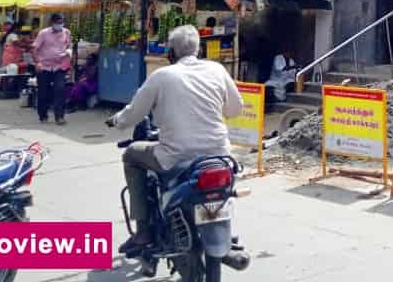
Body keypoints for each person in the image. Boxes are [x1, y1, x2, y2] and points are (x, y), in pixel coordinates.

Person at [106, 25, 244, 256]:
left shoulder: (161, 76)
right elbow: (235, 108)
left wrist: (117, 121)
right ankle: (225, 230)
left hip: (176, 156)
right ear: (198, 49)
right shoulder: (217, 70)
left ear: (171, 53)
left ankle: (143, 232)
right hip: (220, 155)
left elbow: (135, 113)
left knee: (131, 155)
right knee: (225, 188)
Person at [31, 13, 73, 125]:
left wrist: (68, 52)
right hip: (44, 67)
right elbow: (34, 49)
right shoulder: (43, 33)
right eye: (58, 22)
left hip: (59, 67)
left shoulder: (66, 32)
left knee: (60, 90)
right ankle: (43, 116)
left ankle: (59, 117)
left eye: (62, 22)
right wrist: (37, 62)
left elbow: (69, 45)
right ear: (52, 23)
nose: (60, 25)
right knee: (43, 92)